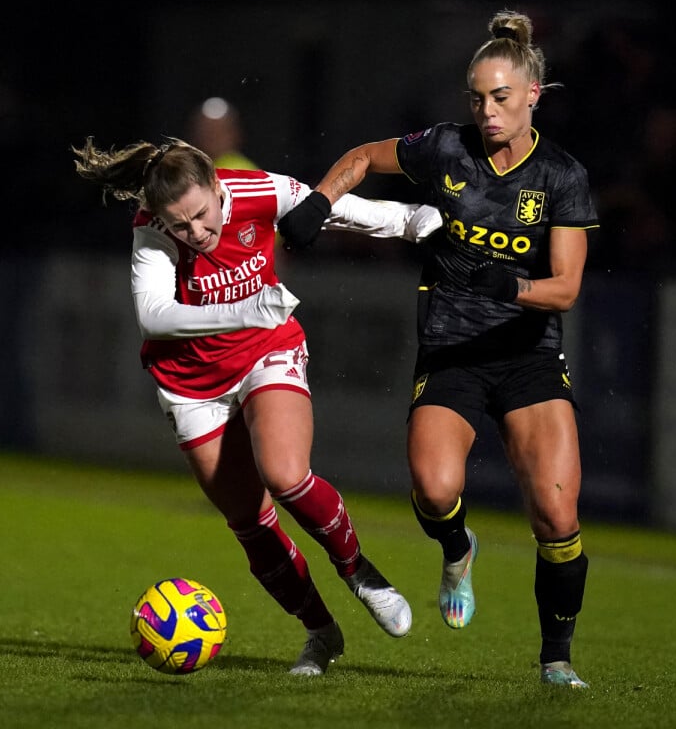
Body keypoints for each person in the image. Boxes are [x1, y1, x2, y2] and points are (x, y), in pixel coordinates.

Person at [277, 9, 599, 687]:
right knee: (433, 490)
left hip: (528, 356)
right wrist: (318, 201)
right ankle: (459, 550)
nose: (487, 111)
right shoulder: (446, 148)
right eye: (477, 98)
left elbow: (565, 288)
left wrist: (506, 285)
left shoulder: (562, 177)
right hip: (452, 351)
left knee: (557, 510)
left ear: (532, 96)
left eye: (501, 97)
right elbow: (365, 156)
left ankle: (556, 661)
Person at [73, 136, 441, 675]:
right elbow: (154, 315)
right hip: (190, 382)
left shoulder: (257, 190)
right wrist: (247, 308)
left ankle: (359, 571)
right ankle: (320, 634)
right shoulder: (150, 230)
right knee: (248, 519)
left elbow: (332, 208)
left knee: (286, 475)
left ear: (219, 188)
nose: (195, 233)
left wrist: (412, 219)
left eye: (200, 215)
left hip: (265, 351)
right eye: (180, 226)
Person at [186, 96, 258, 170]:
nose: (212, 139)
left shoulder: (246, 173)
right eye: (207, 132)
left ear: (235, 135)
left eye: (219, 133)